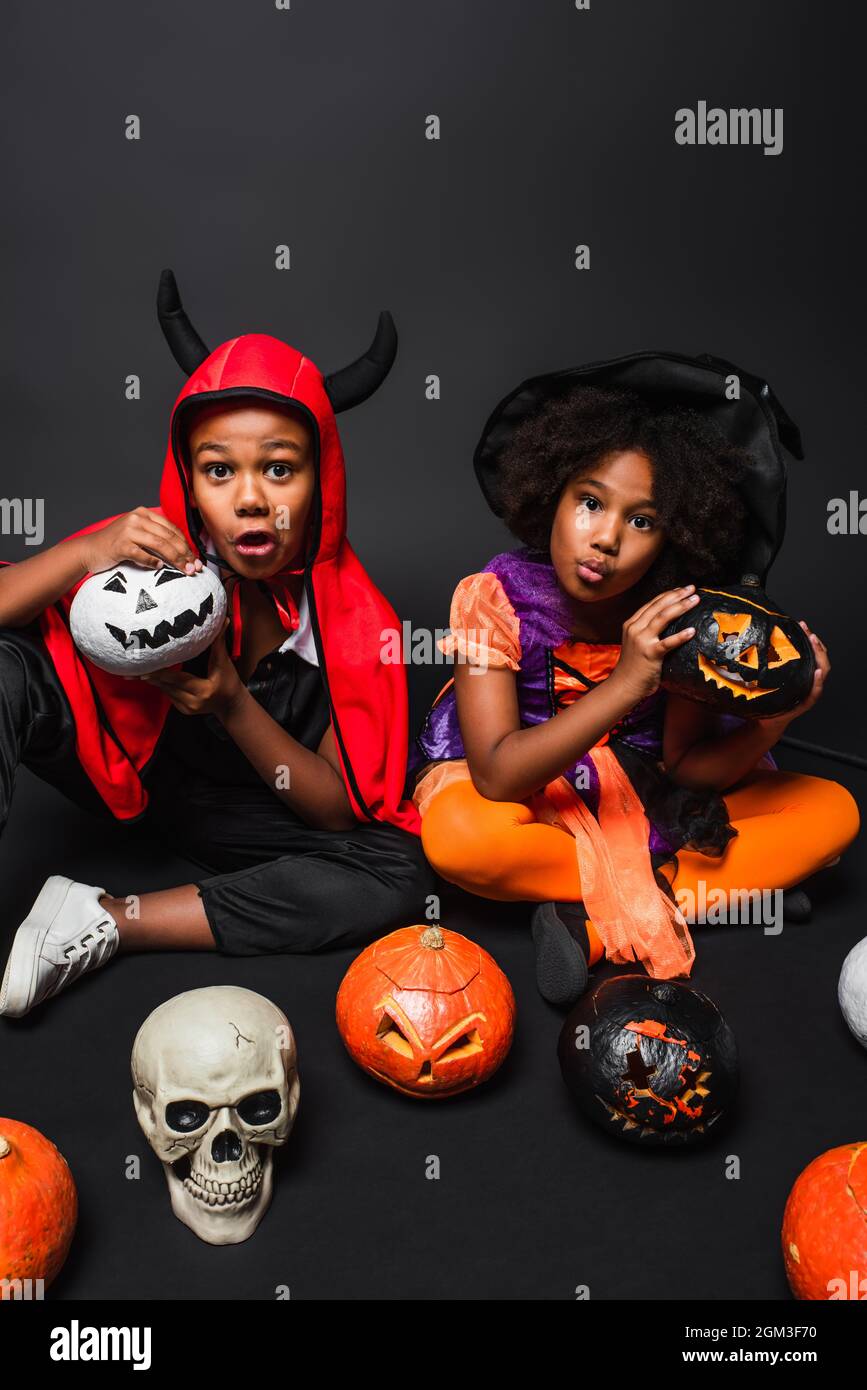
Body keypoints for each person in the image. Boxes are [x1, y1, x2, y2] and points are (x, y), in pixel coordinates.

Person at [0, 270, 435, 1019]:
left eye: (278, 468)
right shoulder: (141, 561)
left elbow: (334, 811)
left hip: (234, 812)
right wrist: (82, 553)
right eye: (218, 470)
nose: (250, 498)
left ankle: (108, 918)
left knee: (400, 875)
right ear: (188, 483)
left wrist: (231, 700)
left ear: (318, 482)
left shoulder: (360, 624)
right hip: (114, 767)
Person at [409, 370, 860, 1006]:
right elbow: (496, 777)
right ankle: (712, 894)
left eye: (642, 520)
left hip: (643, 794)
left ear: (673, 536)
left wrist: (774, 721)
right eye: (590, 502)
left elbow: (690, 769)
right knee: (460, 838)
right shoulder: (493, 596)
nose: (606, 539)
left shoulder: (680, 615)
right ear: (553, 496)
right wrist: (625, 684)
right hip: (538, 793)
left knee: (834, 812)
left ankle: (589, 928)